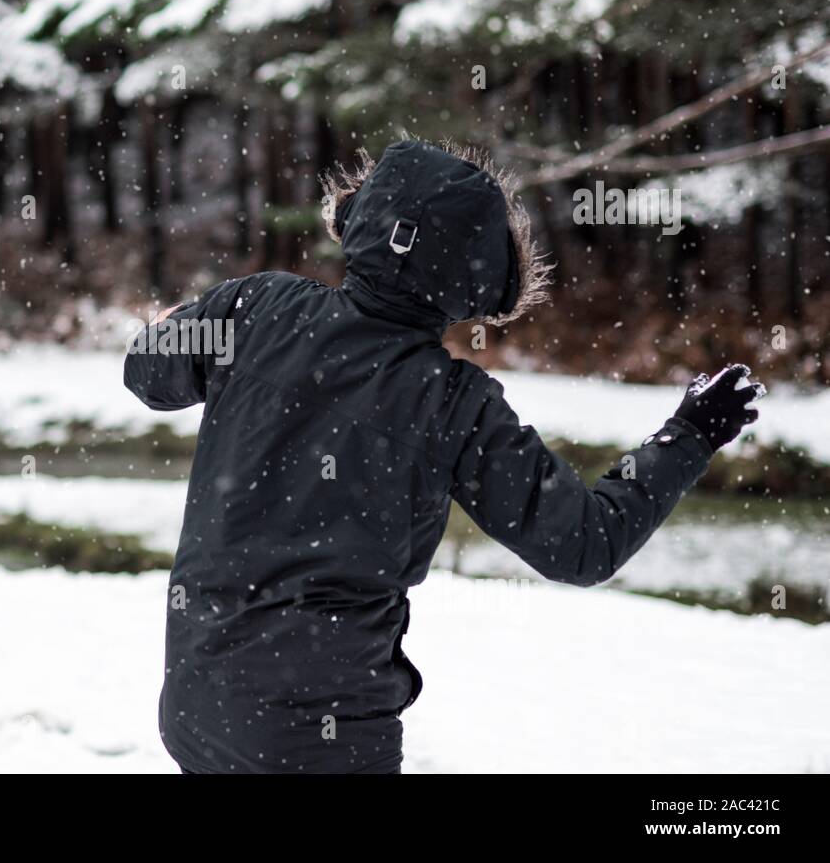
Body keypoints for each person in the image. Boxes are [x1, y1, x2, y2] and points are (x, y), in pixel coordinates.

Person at [123, 139, 764, 774]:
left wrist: (201, 318)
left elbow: (148, 371)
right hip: (326, 740)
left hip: (196, 709)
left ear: (361, 222)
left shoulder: (258, 306)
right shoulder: (454, 404)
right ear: (477, 279)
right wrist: (689, 435)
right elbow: (583, 543)